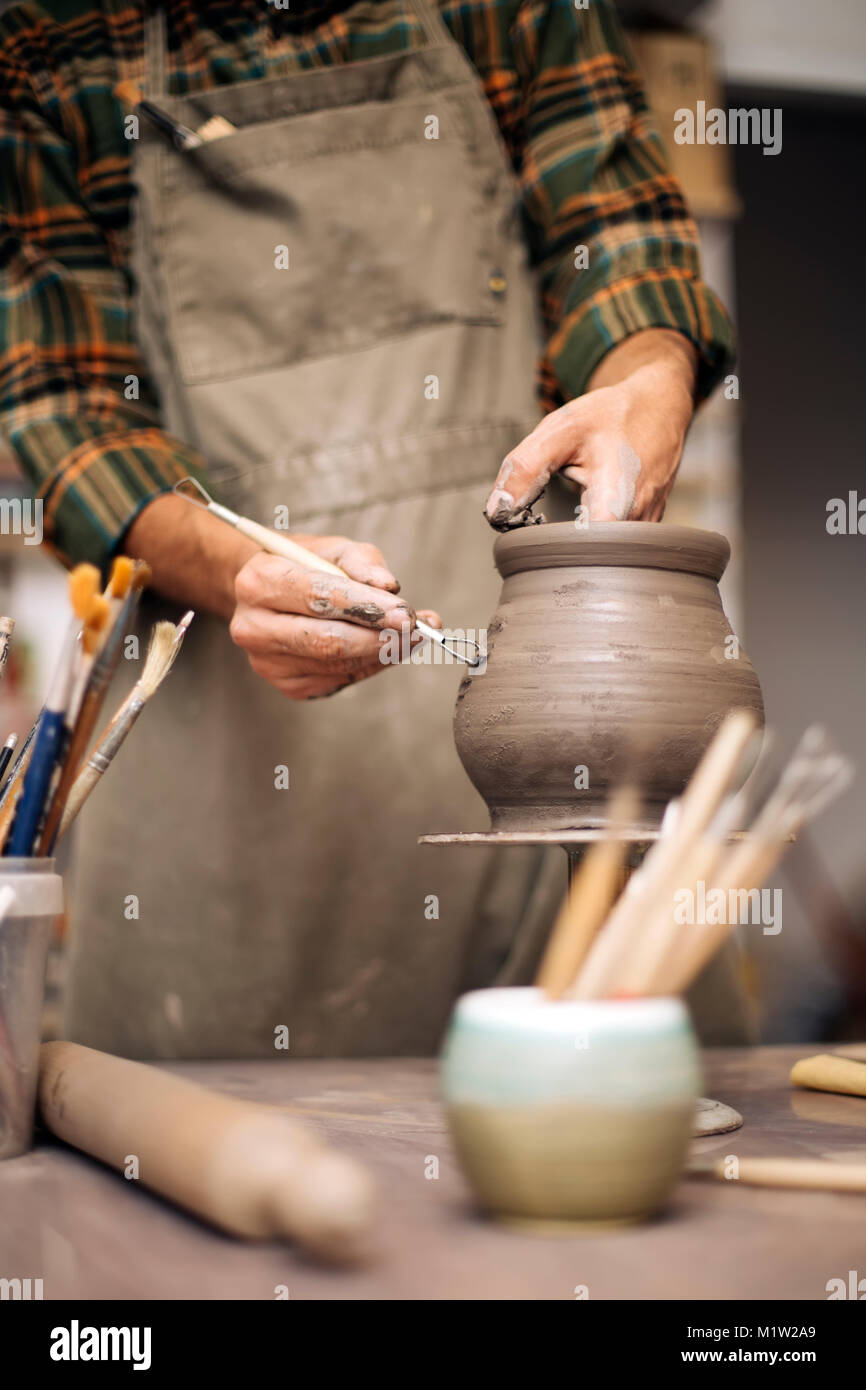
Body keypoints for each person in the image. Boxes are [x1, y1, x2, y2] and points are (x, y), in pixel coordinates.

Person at [0, 0, 735, 1058]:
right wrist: (239, 564)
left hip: (563, 715)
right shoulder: (50, 43)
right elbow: (66, 411)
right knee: (216, 1182)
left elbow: (613, 238)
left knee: (625, 1128)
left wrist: (648, 377)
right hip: (231, 760)